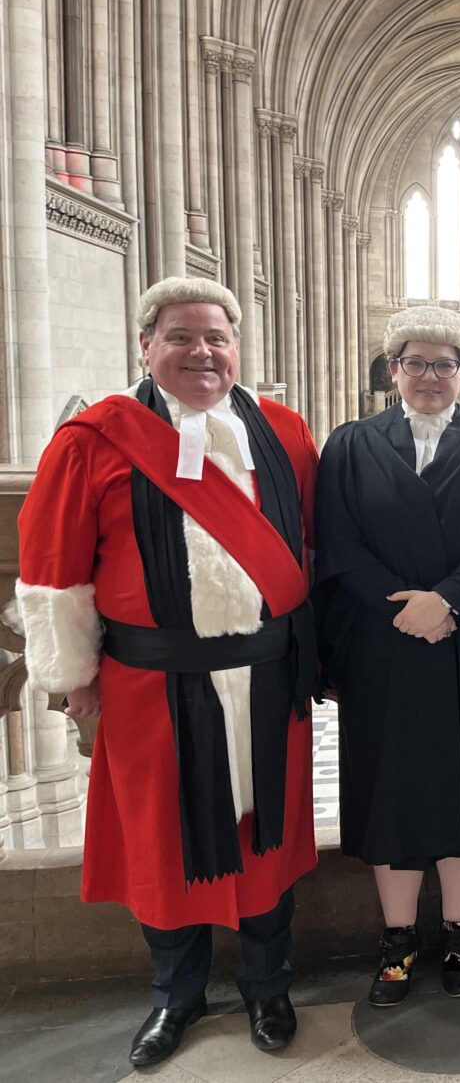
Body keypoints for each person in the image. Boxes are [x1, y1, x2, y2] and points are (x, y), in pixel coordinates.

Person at [13, 277, 318, 1065]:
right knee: (161, 843)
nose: (202, 352)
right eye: (181, 336)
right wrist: (73, 667)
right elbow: (53, 566)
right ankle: (175, 996)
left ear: (237, 347)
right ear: (146, 345)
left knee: (266, 837)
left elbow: (314, 545)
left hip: (265, 677)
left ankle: (268, 984)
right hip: (151, 686)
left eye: (217, 337)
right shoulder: (93, 440)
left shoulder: (283, 432)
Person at [315, 306, 460, 1005]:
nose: (430, 376)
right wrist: (405, 608)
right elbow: (337, 542)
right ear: (394, 369)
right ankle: (396, 940)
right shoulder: (350, 445)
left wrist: (449, 601)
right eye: (416, 362)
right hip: (385, 650)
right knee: (393, 795)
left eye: (445, 364)